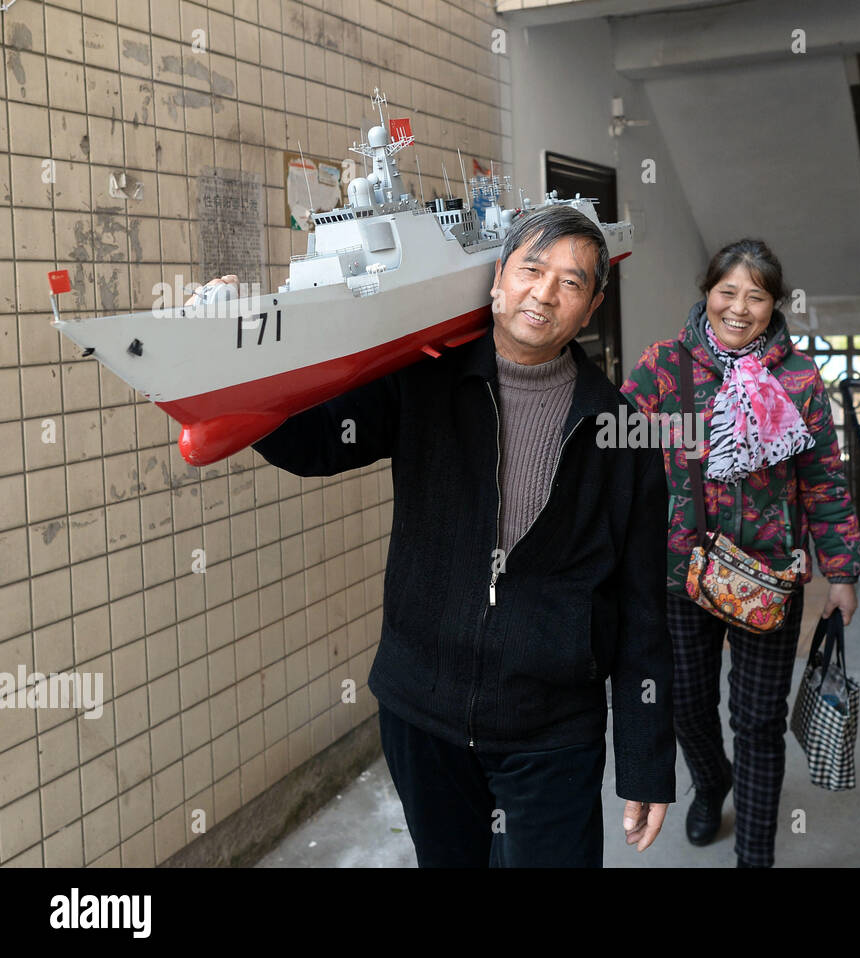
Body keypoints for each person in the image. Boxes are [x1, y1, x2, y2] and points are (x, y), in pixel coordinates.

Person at [195, 205, 675, 866]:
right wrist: (231, 353)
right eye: (532, 269)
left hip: (550, 733)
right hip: (422, 714)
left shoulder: (623, 437)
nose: (545, 292)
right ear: (497, 279)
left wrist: (648, 761)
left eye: (571, 282)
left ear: (591, 307)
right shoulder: (425, 382)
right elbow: (314, 444)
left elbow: (645, 607)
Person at [621, 238, 860, 867]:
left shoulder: (800, 379)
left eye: (755, 296)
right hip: (682, 572)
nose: (739, 307)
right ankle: (710, 784)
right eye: (727, 291)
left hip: (767, 575)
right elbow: (614, 445)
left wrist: (841, 572)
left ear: (774, 305)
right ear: (707, 293)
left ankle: (754, 858)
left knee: (757, 722)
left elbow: (824, 481)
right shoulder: (666, 366)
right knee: (685, 706)